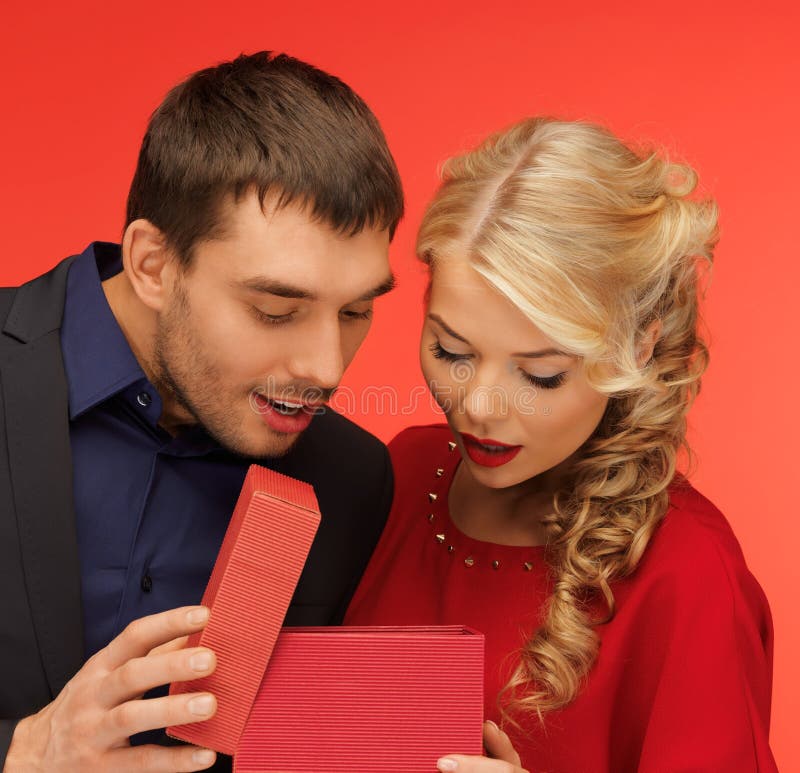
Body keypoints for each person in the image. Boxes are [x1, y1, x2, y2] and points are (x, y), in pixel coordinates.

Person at [0, 52, 403, 771]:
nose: (326, 369)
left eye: (356, 310)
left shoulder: (352, 476)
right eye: (276, 309)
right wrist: (22, 751)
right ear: (153, 264)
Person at [345, 117, 778, 772]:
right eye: (451, 350)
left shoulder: (688, 575)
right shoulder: (398, 474)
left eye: (540, 372)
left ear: (635, 345)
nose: (479, 405)